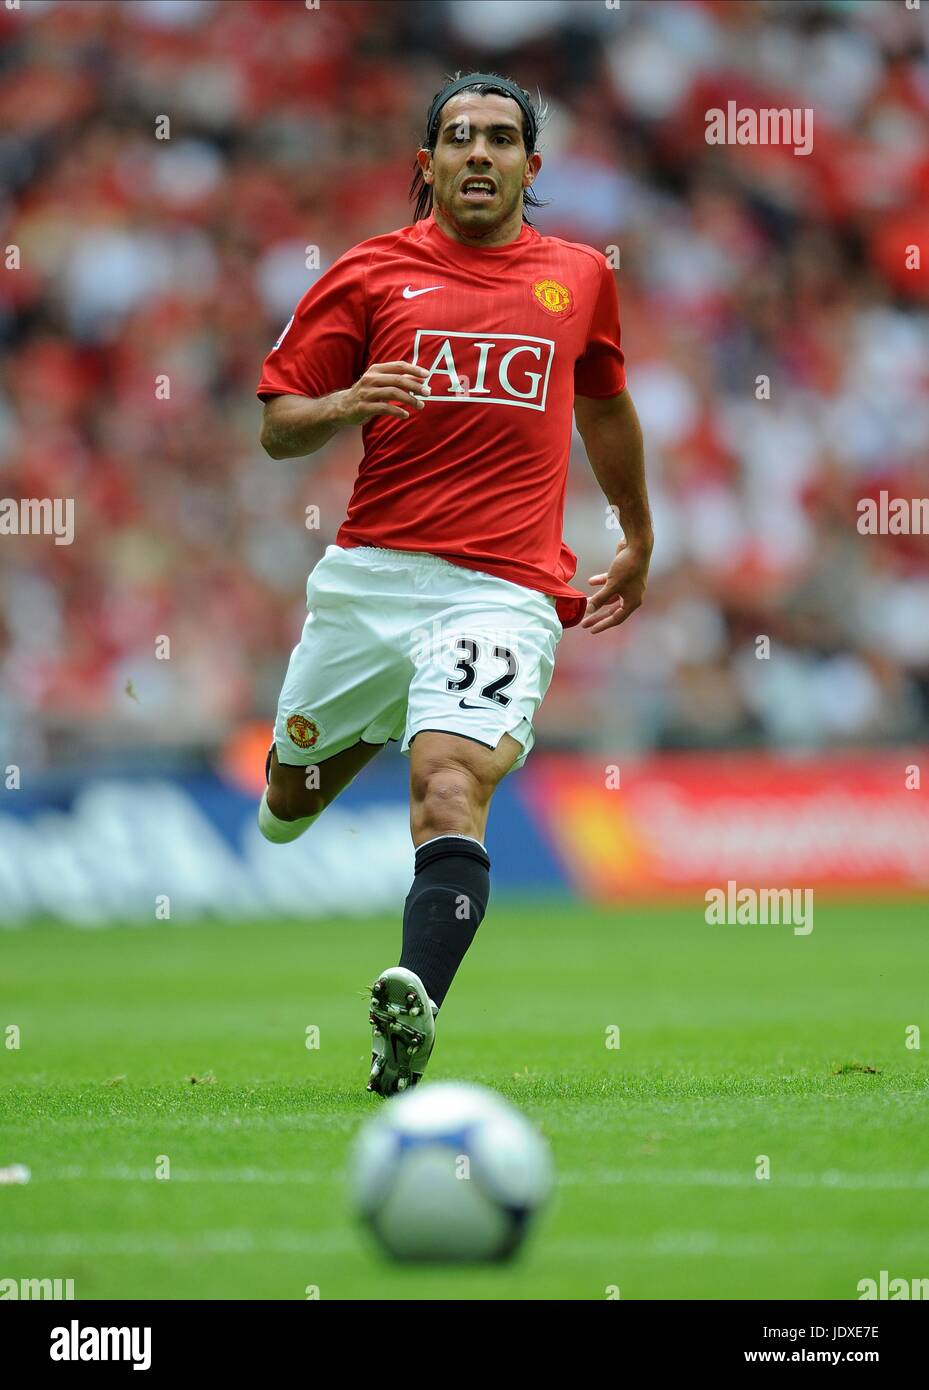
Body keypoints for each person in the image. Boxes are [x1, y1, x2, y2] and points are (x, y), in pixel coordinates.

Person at [255, 72, 652, 1094]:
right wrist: (346, 399)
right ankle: (389, 707)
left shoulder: (577, 278)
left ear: (532, 164)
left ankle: (412, 1006)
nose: (479, 152)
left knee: (447, 787)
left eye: (501, 138)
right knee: (285, 801)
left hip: (502, 589)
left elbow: (603, 405)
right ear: (425, 164)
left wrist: (636, 533)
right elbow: (276, 425)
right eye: (458, 137)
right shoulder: (370, 273)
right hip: (369, 580)